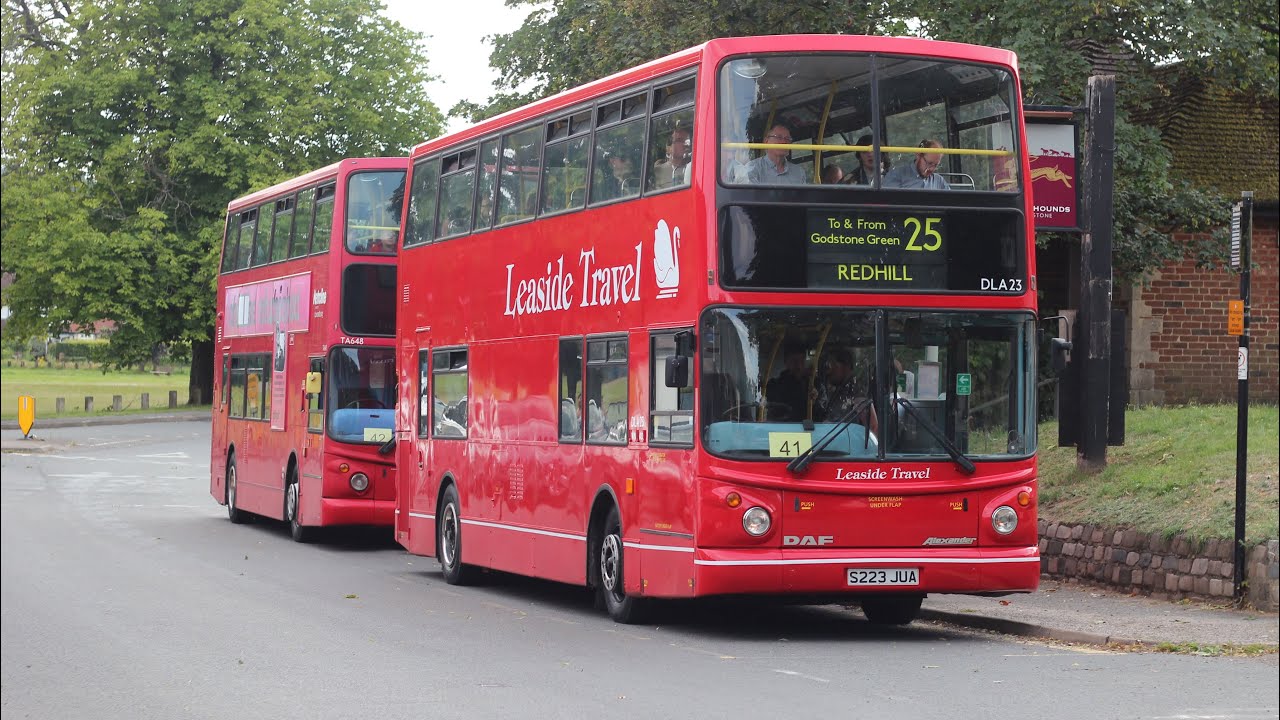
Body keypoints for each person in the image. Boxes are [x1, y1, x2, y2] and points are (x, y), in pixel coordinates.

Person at [815, 346, 879, 437]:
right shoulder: (837, 391)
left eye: (832, 365)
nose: (829, 371)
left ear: (846, 366)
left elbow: (873, 427)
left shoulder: (857, 391)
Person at [765, 343, 812, 421]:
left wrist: (814, 401)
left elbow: (821, 418)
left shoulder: (813, 385)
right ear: (786, 362)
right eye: (794, 361)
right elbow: (772, 412)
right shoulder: (774, 385)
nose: (799, 366)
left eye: (802, 361)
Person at [883, 139, 951, 190]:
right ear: (918, 155)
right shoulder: (896, 176)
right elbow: (891, 203)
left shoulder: (939, 180)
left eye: (936, 165)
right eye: (929, 163)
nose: (932, 169)